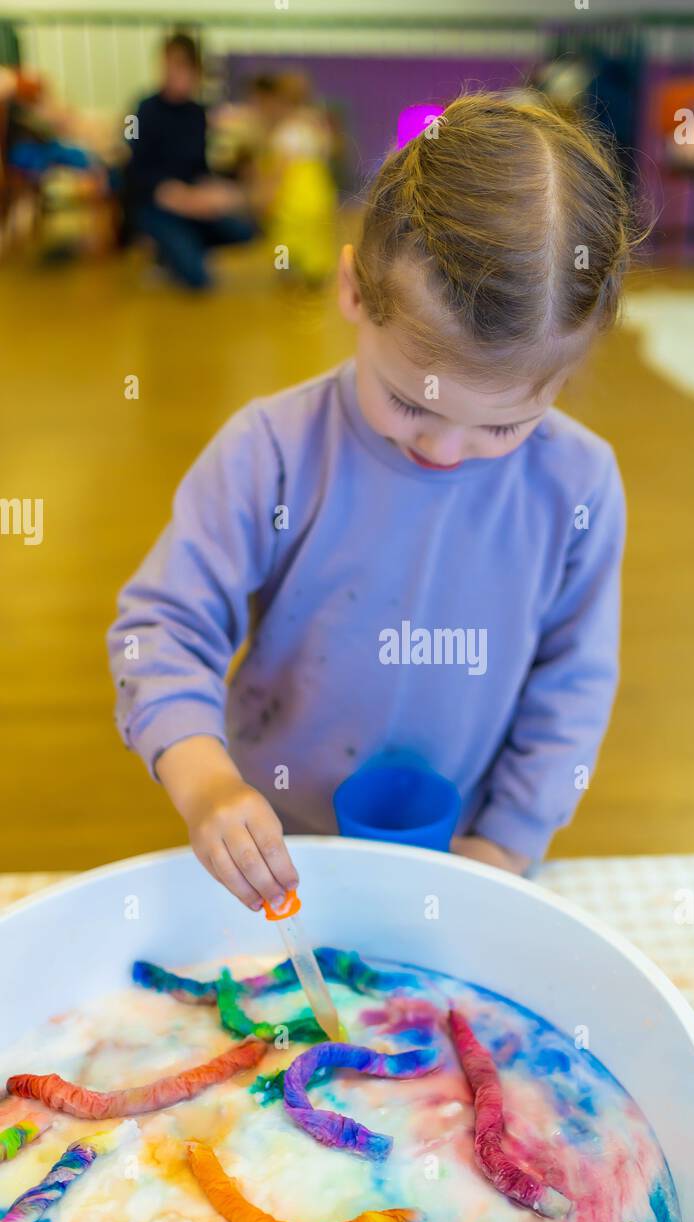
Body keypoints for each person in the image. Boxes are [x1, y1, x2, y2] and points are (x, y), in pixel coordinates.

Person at [108, 90, 633, 909]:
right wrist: (205, 783)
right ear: (353, 290)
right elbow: (162, 626)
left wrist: (506, 841)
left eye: (503, 426)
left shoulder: (579, 485)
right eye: (413, 403)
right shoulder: (272, 451)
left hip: (459, 853)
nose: (445, 450)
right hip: (275, 845)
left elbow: (574, 682)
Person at [128, 32, 255, 289]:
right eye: (172, 64)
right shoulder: (145, 110)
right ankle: (169, 250)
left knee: (246, 229)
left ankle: (186, 243)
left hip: (191, 199)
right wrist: (177, 196)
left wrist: (215, 192)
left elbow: (199, 167)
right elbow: (136, 171)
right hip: (157, 205)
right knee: (198, 280)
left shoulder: (197, 113)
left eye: (185, 66)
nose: (178, 73)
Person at [248, 70, 337, 286]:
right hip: (319, 195)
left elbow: (279, 170)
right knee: (316, 242)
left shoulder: (285, 132)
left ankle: (286, 276)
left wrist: (266, 198)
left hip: (292, 200)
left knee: (285, 243)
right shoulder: (315, 126)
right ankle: (315, 277)